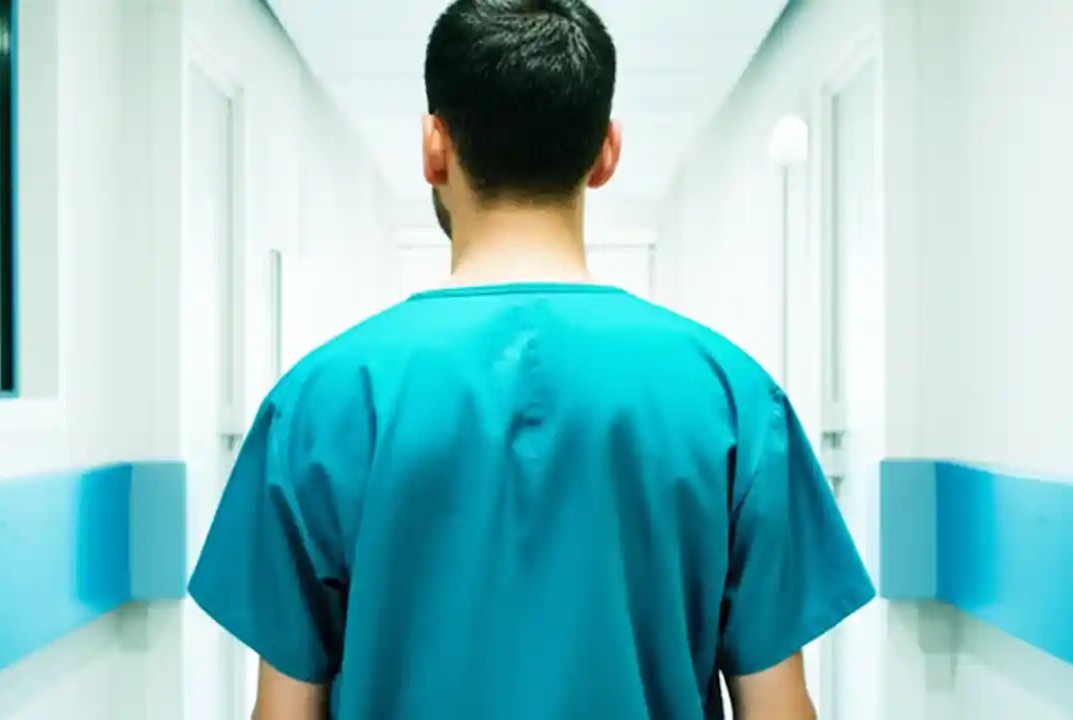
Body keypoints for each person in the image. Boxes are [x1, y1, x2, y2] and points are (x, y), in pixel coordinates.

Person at [188, 1, 874, 718]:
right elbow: (776, 708)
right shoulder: (731, 398)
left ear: (433, 146)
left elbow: (285, 711)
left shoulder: (319, 402)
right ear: (606, 153)